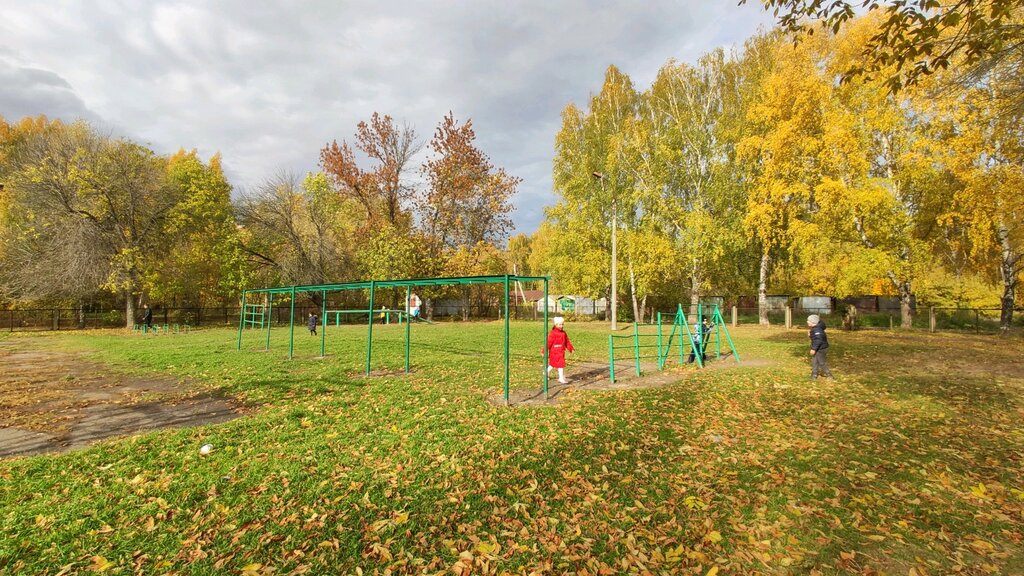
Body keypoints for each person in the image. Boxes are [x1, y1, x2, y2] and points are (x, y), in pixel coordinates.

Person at [545, 316, 574, 384]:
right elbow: (548, 342)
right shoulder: (553, 333)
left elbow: (567, 341)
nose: (561, 326)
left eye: (562, 324)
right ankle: (560, 378)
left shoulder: (563, 333)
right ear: (556, 324)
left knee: (553, 364)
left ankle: (545, 372)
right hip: (554, 352)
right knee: (560, 364)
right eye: (559, 324)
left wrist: (570, 348)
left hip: (560, 351)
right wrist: (545, 350)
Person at [808, 314, 834, 380]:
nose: (807, 322)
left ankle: (829, 375)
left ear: (813, 323)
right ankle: (814, 375)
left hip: (821, 349)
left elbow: (818, 340)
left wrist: (813, 349)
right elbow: (816, 338)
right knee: (814, 361)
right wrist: (810, 335)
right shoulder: (815, 328)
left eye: (809, 321)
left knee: (821, 362)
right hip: (818, 348)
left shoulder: (817, 330)